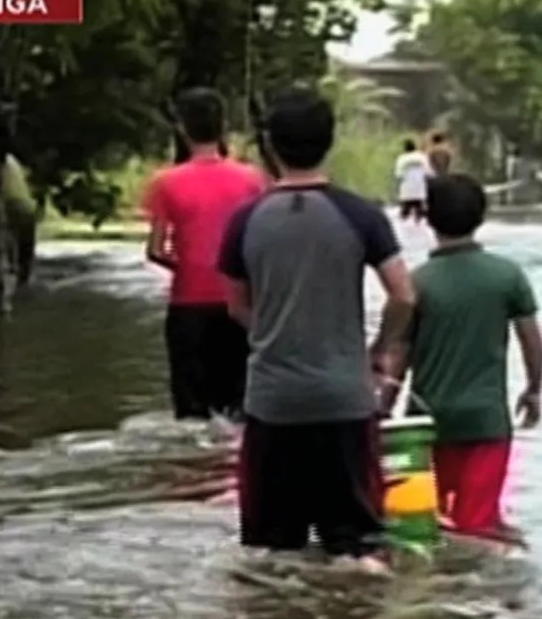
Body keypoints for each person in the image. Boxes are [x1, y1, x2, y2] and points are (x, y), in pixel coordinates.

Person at [217, 86, 416, 565]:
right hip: (345, 401)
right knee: (356, 551)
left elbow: (236, 307)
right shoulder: (360, 214)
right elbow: (405, 295)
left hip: (273, 404)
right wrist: (378, 351)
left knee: (271, 553)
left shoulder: (246, 220)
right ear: (329, 141)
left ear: (271, 145)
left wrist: (275, 335)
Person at [380, 173, 542, 541]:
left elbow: (400, 354)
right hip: (485, 422)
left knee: (425, 527)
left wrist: (384, 407)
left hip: (426, 423)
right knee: (478, 527)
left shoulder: (417, 283)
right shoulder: (507, 276)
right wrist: (534, 389)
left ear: (426, 218)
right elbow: (531, 339)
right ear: (482, 217)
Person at [143, 87, 264, 420]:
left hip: (188, 305)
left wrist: (188, 266)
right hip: (239, 306)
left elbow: (156, 250)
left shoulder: (165, 182)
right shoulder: (252, 179)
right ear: (223, 127)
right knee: (238, 409)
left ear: (181, 128)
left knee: (192, 414)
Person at [394, 138, 431, 222]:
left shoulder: (401, 159)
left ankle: (403, 221)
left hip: (407, 189)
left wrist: (398, 186)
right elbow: (428, 172)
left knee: (405, 212)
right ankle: (419, 220)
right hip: (419, 188)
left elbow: (398, 175)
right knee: (420, 210)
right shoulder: (422, 157)